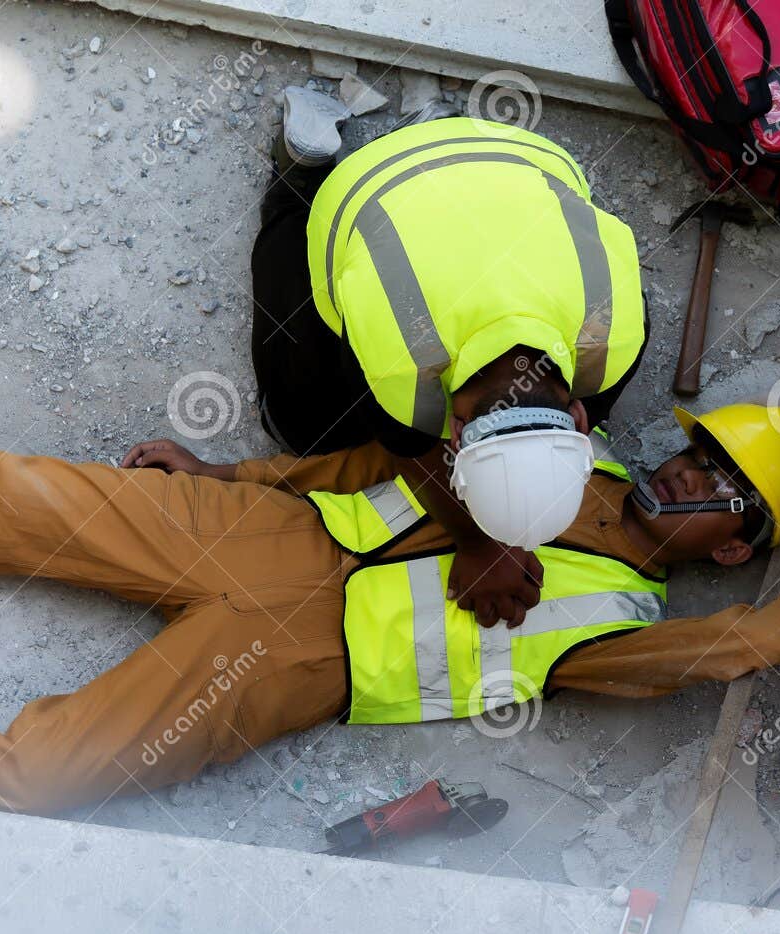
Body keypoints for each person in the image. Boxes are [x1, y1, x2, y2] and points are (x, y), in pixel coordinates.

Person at [0, 405, 780, 816]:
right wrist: (235, 475)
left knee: (39, 776)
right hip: (270, 532)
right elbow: (381, 460)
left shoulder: (620, 618)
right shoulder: (570, 451)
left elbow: (749, 642)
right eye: (697, 452)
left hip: (290, 662)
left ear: (730, 547)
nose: (686, 473)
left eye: (719, 488)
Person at [251, 89, 648, 627]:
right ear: (455, 435)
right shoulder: (401, 368)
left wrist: (506, 528)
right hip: (366, 183)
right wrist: (478, 544)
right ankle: (299, 181)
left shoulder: (615, 335)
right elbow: (408, 449)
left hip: (512, 153)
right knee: (305, 426)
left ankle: (433, 129)